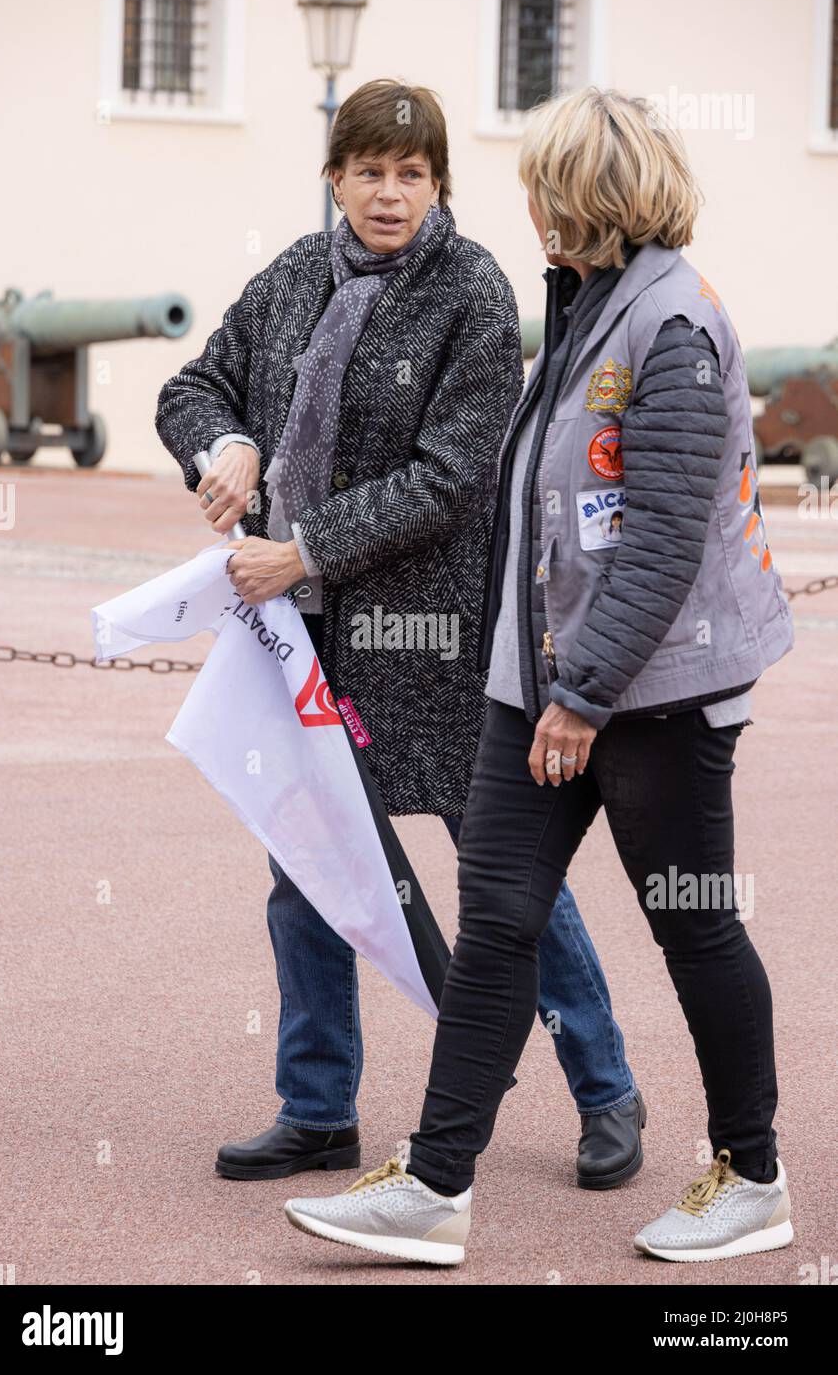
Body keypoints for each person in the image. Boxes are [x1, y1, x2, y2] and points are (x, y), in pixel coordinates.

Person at [285, 86, 795, 1266]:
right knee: (500, 917)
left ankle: (751, 1175)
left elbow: (662, 540)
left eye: (540, 186)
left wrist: (579, 697)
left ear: (586, 198)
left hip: (650, 695)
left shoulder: (665, 322)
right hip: (545, 680)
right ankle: (433, 1185)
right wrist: (540, 683)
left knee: (694, 926)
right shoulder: (587, 302)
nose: (522, 204)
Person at [155, 80, 644, 1193]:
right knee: (307, 869)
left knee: (508, 880)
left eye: (411, 174)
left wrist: (303, 546)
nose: (389, 192)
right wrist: (223, 445)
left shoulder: (471, 292)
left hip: (443, 644)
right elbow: (194, 383)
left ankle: (606, 1090)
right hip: (309, 643)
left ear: (437, 186)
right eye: (369, 170)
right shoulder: (290, 275)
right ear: (335, 175)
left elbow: (450, 474)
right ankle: (316, 1106)